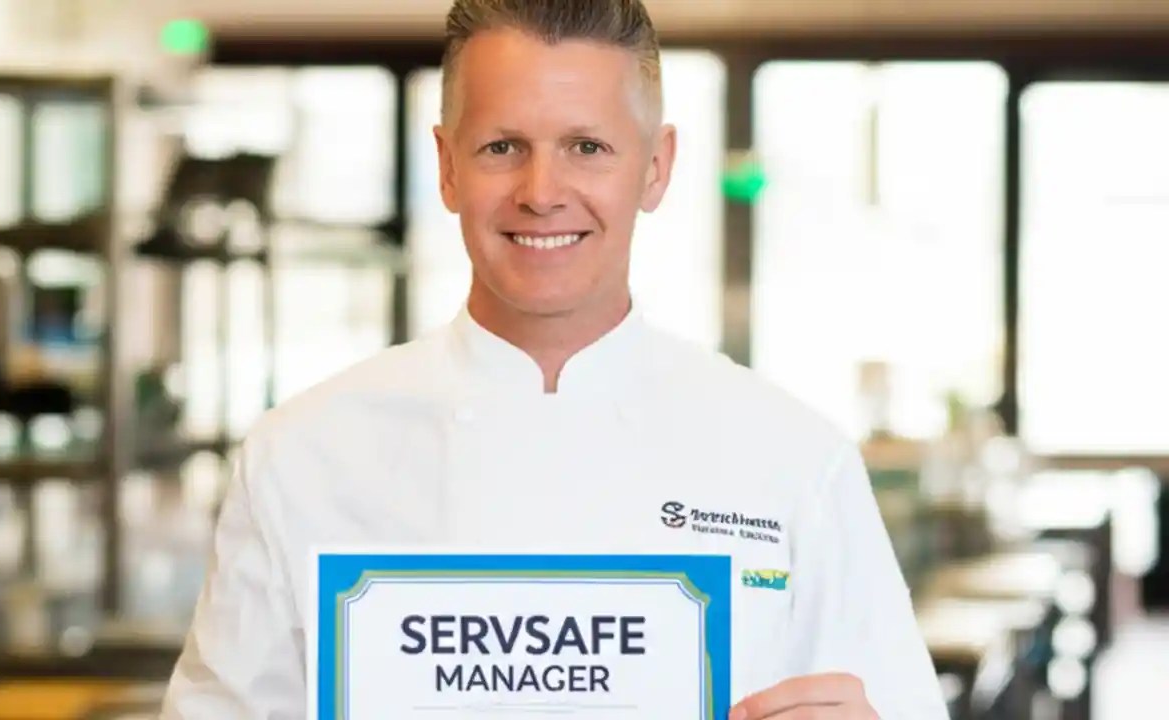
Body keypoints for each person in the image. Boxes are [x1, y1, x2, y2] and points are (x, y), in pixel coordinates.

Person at [160, 1, 948, 718]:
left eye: (588, 146)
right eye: (502, 146)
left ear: (655, 167)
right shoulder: (300, 454)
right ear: (447, 166)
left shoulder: (795, 459)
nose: (543, 191)